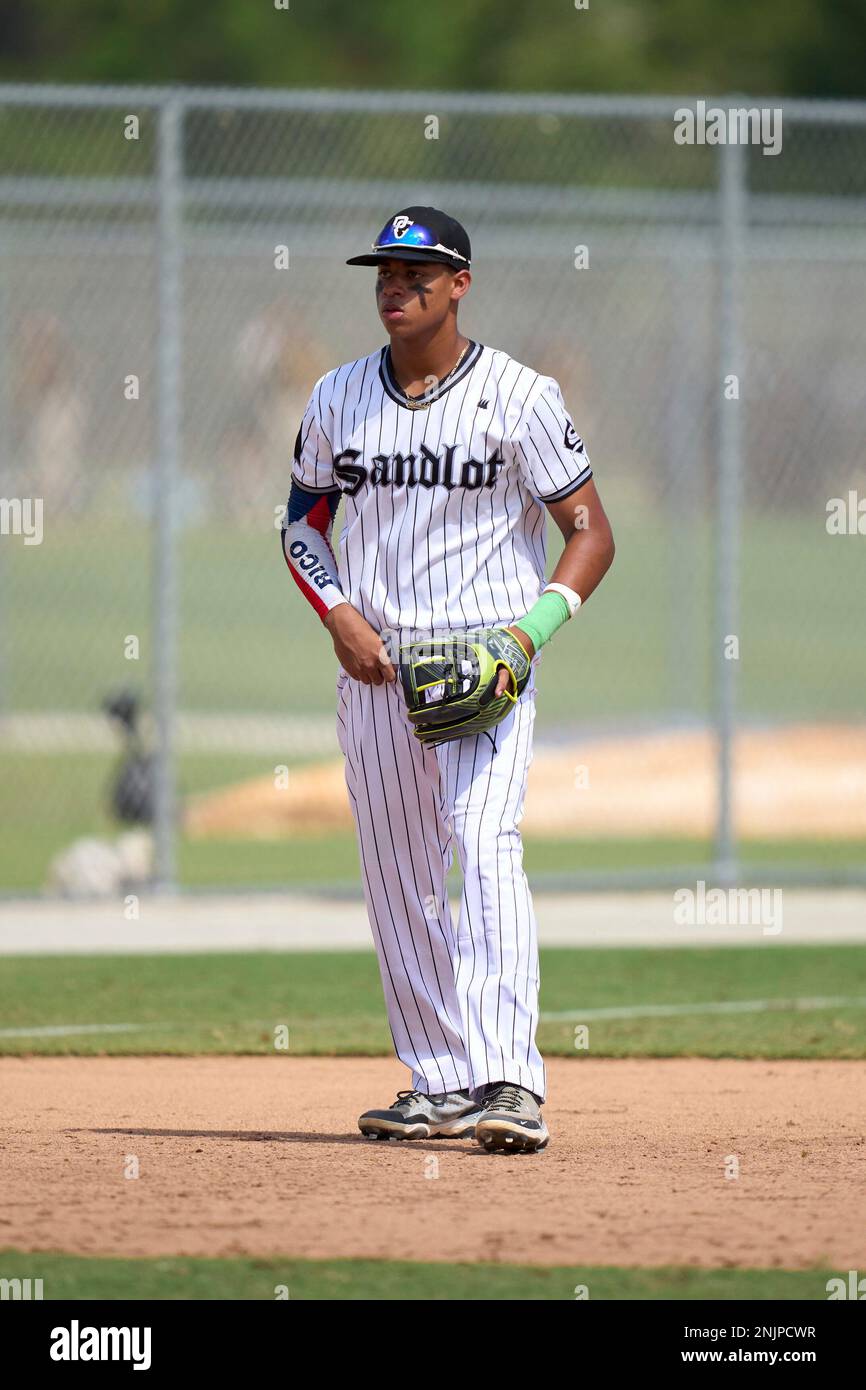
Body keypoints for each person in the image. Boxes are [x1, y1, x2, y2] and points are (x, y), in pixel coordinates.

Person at [280, 207, 614, 1153]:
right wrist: (337, 612)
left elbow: (591, 532)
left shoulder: (521, 395)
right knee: (397, 876)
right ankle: (438, 1081)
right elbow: (302, 524)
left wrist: (526, 638)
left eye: (415, 273)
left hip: (485, 665)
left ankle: (509, 1079)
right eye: (384, 271)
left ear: (459, 283)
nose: (395, 285)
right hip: (379, 669)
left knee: (485, 846)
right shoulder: (338, 396)